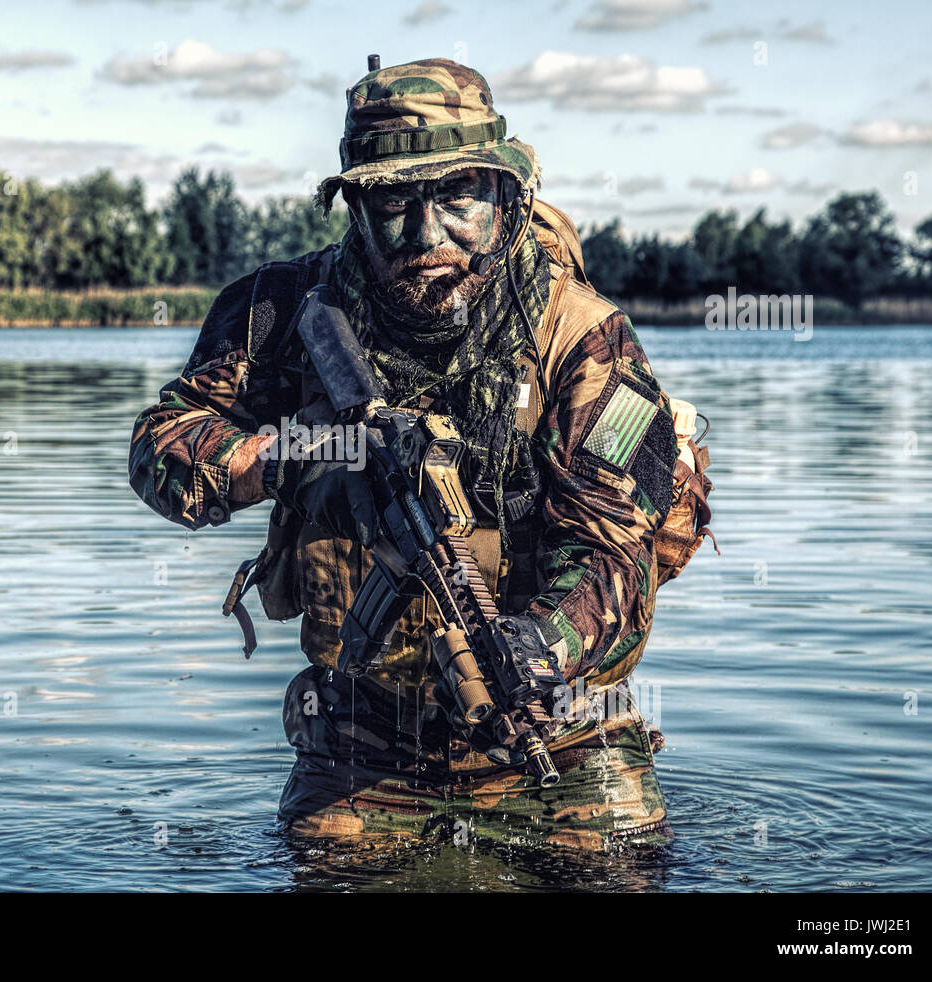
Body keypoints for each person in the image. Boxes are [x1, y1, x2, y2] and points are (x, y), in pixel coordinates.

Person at [129, 56, 677, 852]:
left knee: (617, 864)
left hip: (558, 726)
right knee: (327, 862)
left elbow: (617, 553)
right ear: (355, 206)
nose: (428, 234)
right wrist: (293, 456)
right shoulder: (278, 315)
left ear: (503, 192)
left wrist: (540, 644)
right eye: (393, 201)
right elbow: (158, 449)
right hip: (361, 730)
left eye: (458, 196)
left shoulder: (584, 339)